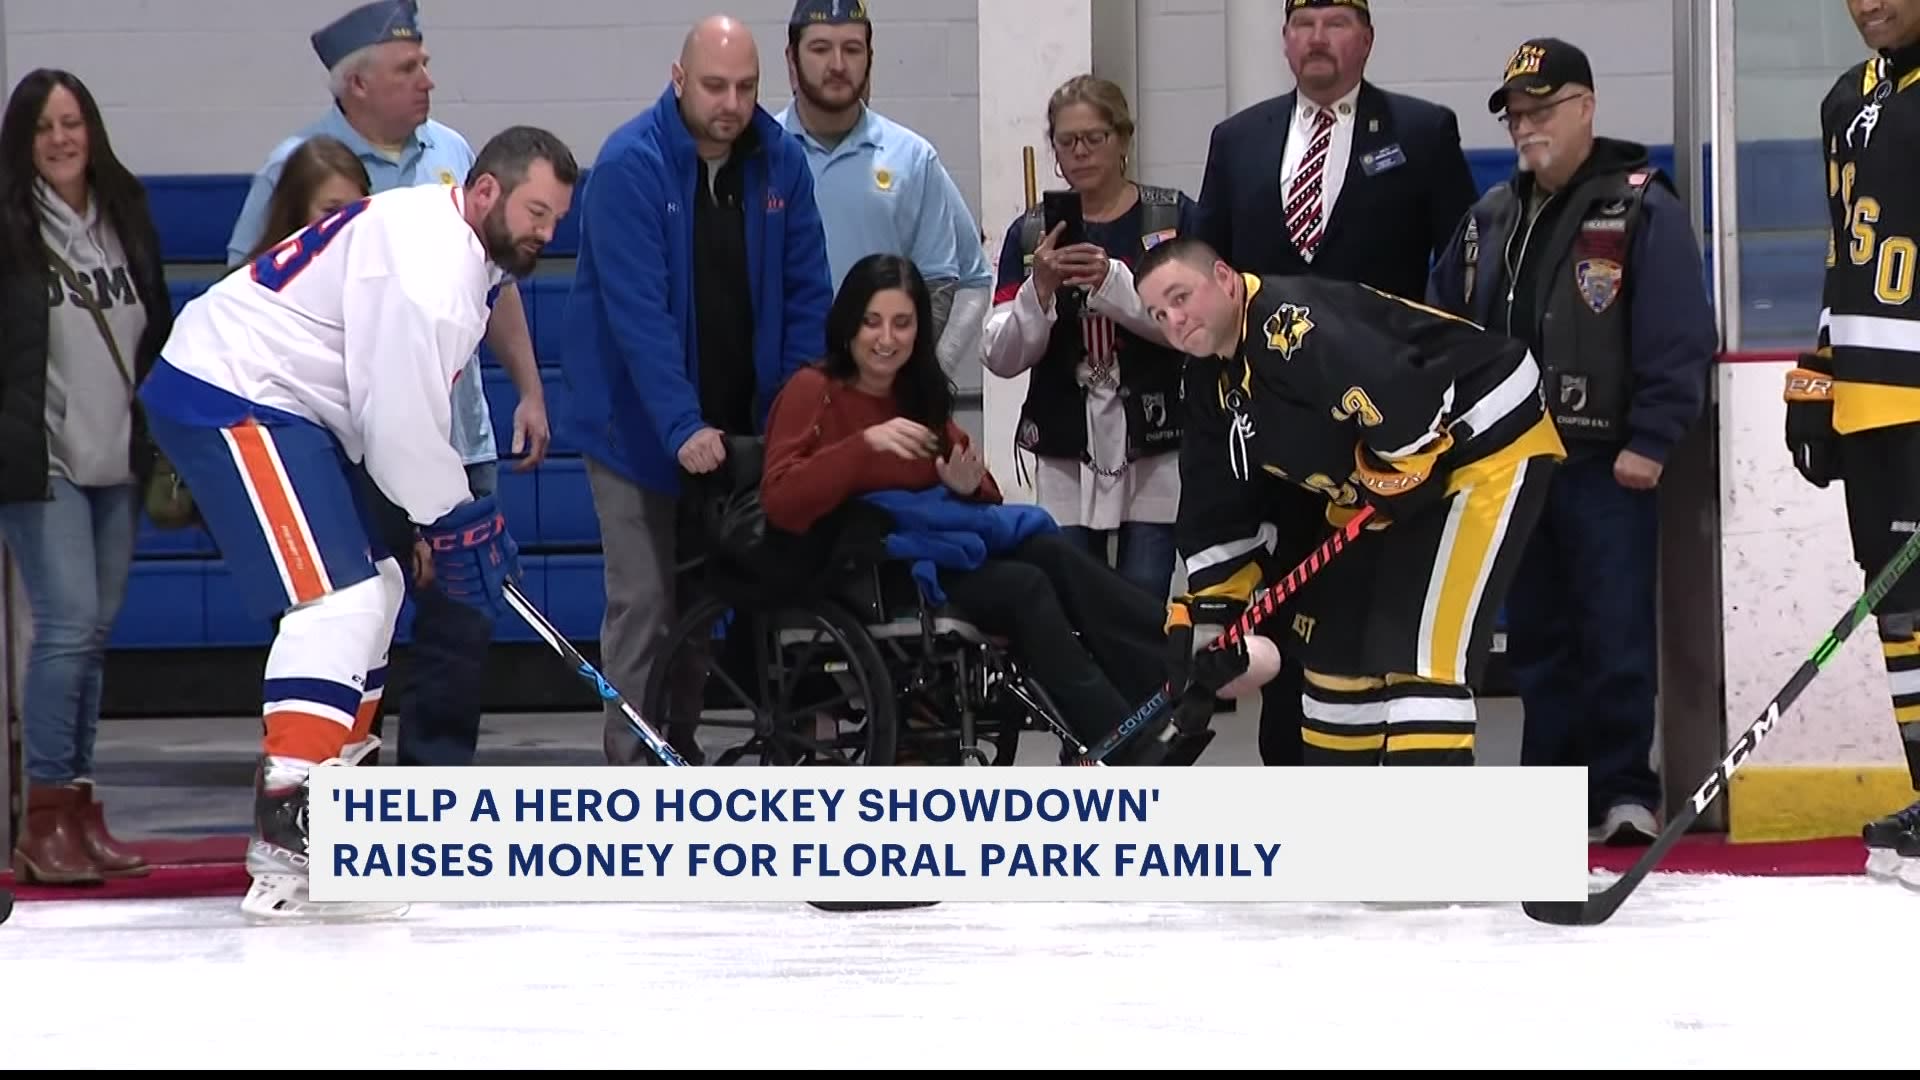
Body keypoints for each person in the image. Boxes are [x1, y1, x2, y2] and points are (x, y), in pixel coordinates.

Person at [136, 126, 579, 921]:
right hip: (232, 389)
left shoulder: (459, 252)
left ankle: (331, 817)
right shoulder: (431, 269)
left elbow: (399, 424)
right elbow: (400, 428)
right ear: (485, 193)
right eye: (536, 213)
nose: (546, 234)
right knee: (337, 603)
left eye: (555, 220)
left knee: (376, 585)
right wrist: (459, 518)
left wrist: (451, 520)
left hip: (291, 408)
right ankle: (286, 823)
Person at [226, 0, 552, 769]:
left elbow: (496, 286)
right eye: (408, 69)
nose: (427, 81)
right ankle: (338, 785)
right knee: (352, 618)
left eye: (424, 64)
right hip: (343, 444)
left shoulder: (457, 154)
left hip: (453, 431)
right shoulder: (300, 164)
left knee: (464, 619)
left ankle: (437, 792)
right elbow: (253, 287)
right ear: (357, 85)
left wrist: (529, 387)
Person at [1427, 37, 1716, 844]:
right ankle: (1553, 795)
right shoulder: (1488, 219)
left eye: (1543, 109)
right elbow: (1440, 328)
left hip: (1604, 464)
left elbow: (1679, 336)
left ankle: (1626, 789)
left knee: (1615, 632)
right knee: (1538, 642)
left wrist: (1654, 439)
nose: (1527, 126)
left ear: (1587, 107)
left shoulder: (1640, 207)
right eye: (1517, 114)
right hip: (1512, 472)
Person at [1131, 236, 1565, 767]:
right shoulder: (1205, 382)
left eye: (1181, 297)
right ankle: (1346, 838)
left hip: (1478, 446)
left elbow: (1399, 388)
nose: (1173, 319)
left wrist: (1398, 472)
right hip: (1381, 486)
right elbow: (1216, 501)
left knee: (1421, 656)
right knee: (1333, 660)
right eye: (1158, 313)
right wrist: (1217, 617)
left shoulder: (1291, 323)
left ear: (1223, 277)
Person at [1191, 0, 1480, 768]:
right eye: (1304, 23)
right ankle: (1297, 783)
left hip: (1390, 434)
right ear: (1285, 41)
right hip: (1279, 434)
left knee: (1389, 609)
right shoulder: (1238, 140)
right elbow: (1208, 279)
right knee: (1286, 604)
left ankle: (1400, 787)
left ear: (1368, 39)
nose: (1319, 39)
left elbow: (1461, 280)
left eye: (1337, 22)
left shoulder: (1423, 132)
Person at [560, 14, 832, 766]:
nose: (733, 102)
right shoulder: (629, 165)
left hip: (734, 418)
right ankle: (629, 768)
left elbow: (809, 295)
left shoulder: (781, 162)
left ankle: (677, 751)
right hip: (635, 430)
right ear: (679, 79)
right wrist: (680, 426)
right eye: (715, 85)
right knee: (646, 602)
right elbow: (638, 316)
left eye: (747, 87)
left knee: (706, 604)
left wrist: (798, 415)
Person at [760, 253, 1168, 754]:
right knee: (1026, 587)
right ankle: (1127, 746)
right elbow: (780, 500)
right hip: (866, 567)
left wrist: (965, 484)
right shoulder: (814, 390)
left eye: (902, 324)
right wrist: (864, 446)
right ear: (848, 325)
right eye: (872, 322)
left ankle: (1168, 672)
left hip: (936, 546)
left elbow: (981, 499)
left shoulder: (915, 395)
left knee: (1054, 553)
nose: (887, 339)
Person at [0, 68, 174, 885]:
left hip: (120, 456)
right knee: (66, 628)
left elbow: (158, 326)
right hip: (45, 461)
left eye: (72, 123)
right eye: (43, 127)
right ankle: (42, 818)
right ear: (22, 142)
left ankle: (79, 806)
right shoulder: (7, 226)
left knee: (95, 637)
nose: (62, 139)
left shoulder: (125, 213)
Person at [1784, 0, 1920, 883]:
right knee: (1899, 611)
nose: (1866, 3)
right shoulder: (1847, 96)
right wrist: (1817, 373)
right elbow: (1845, 254)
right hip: (1868, 401)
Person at [982, 75, 1194, 603]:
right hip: (1066, 439)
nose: (1080, 152)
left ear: (1123, 139)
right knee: (1077, 592)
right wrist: (1042, 289)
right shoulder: (1031, 233)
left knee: (1147, 590)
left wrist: (1113, 281)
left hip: (1154, 437)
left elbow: (1192, 329)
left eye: (1094, 137)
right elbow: (1001, 355)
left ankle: (1150, 686)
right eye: (1066, 141)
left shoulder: (1169, 216)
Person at [774, 0, 992, 375]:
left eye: (852, 49)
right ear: (792, 61)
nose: (838, 64)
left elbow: (942, 284)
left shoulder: (912, 159)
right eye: (821, 48)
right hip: (782, 399)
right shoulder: (761, 154)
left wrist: (925, 382)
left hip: (884, 398)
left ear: (869, 58)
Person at [239, 136, 373, 264]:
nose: (348, 222)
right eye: (332, 211)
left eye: (357, 209)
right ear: (297, 210)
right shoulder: (251, 283)